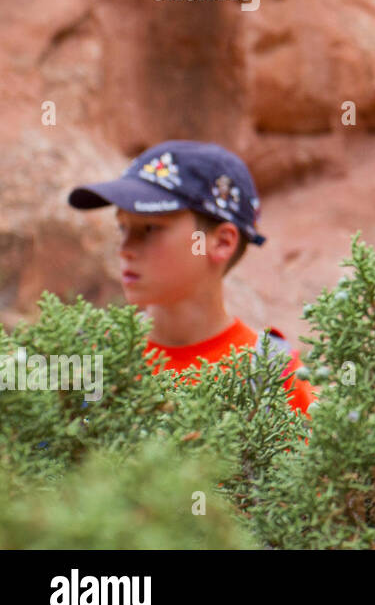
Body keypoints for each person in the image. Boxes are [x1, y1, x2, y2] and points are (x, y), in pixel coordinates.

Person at [68, 140, 315, 416]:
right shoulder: (89, 358)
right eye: (123, 227)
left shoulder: (275, 376)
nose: (125, 249)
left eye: (149, 228)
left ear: (221, 242)